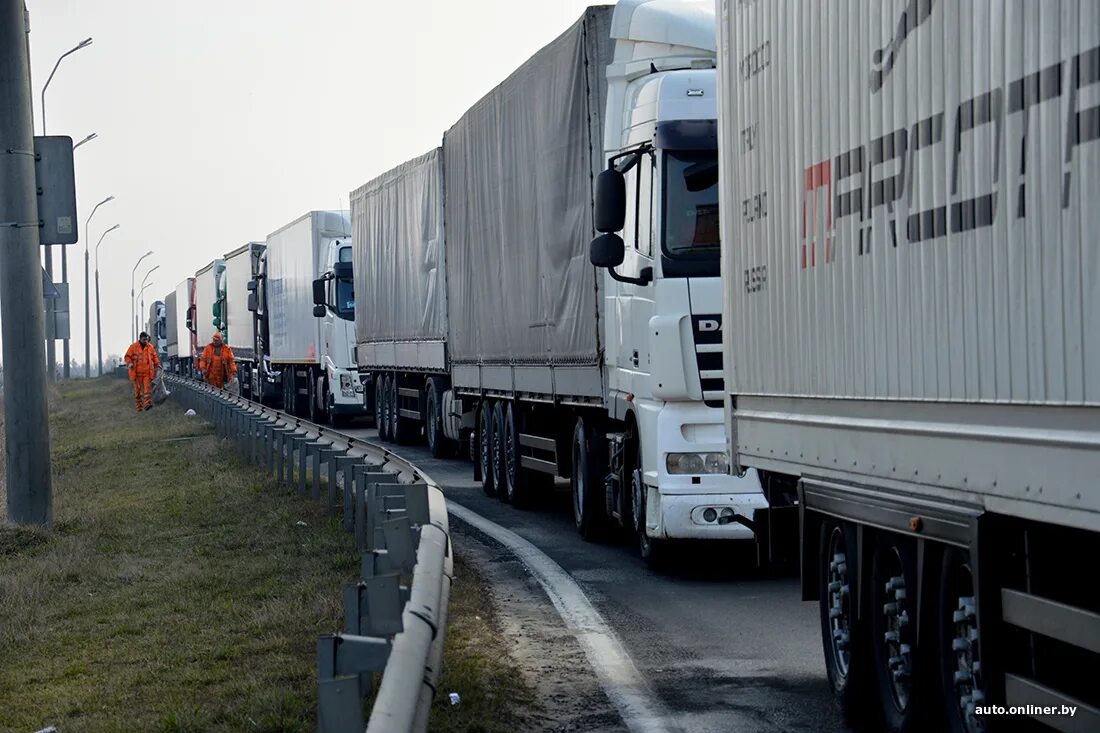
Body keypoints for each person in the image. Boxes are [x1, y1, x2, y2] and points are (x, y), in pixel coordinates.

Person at [124, 331, 161, 412]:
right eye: (144, 339)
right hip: (136, 374)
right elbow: (127, 356)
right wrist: (129, 363)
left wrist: (157, 365)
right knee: (138, 391)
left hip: (147, 373)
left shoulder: (150, 347)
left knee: (147, 390)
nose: (145, 341)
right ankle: (139, 406)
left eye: (147, 339)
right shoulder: (133, 347)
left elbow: (155, 357)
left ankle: (147, 404)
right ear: (140, 339)